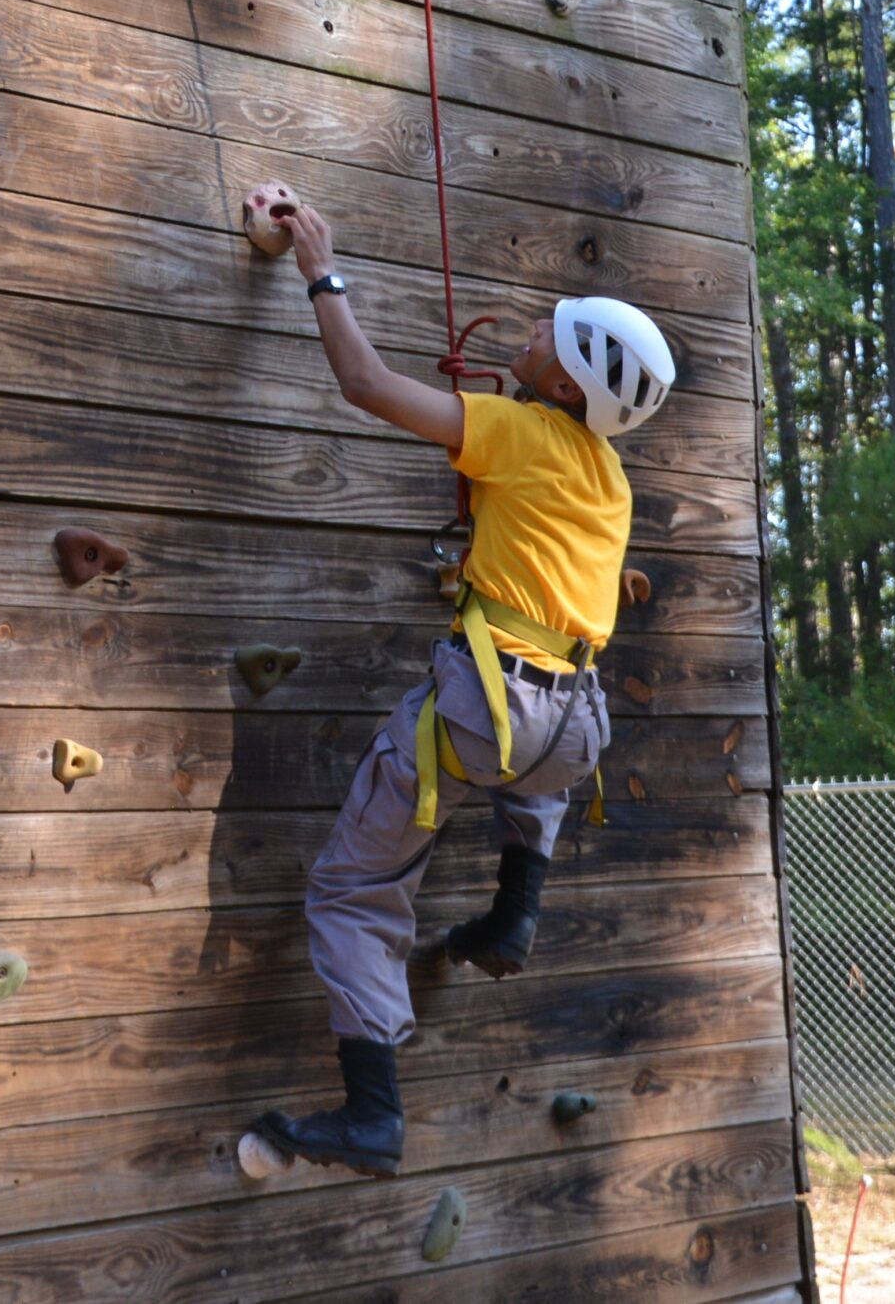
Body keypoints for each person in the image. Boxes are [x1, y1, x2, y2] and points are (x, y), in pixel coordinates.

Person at [251, 204, 678, 1178]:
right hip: (573, 718)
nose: (527, 328)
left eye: (545, 330)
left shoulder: (513, 432)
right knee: (538, 761)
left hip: (486, 712)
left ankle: (370, 1112)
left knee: (352, 887)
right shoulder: (607, 475)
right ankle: (511, 911)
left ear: (564, 379)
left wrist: (321, 269)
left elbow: (364, 382)